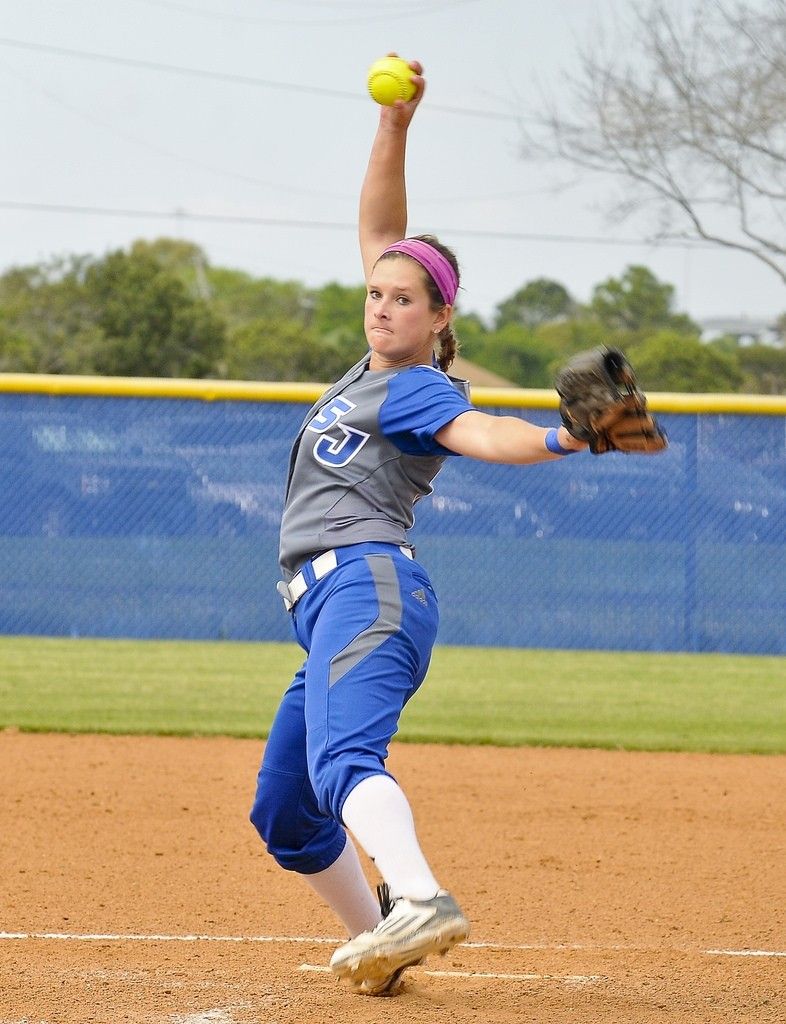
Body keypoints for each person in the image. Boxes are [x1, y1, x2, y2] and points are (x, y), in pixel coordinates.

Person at [249, 57, 587, 998]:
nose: (382, 303)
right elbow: (381, 229)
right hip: (325, 607)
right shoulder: (373, 363)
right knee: (287, 809)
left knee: (347, 760)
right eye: (375, 293)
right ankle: (385, 957)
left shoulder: (416, 386)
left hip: (368, 586)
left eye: (403, 298)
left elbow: (484, 433)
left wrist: (560, 437)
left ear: (440, 319)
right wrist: (395, 127)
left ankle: (421, 895)